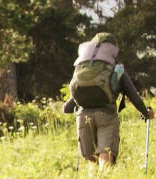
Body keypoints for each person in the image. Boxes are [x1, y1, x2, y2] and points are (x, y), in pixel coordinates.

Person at [64, 33, 154, 168]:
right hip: (106, 116)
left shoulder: (82, 70)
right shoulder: (116, 70)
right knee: (105, 156)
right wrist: (146, 113)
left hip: (83, 116)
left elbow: (66, 108)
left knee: (91, 160)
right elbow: (134, 97)